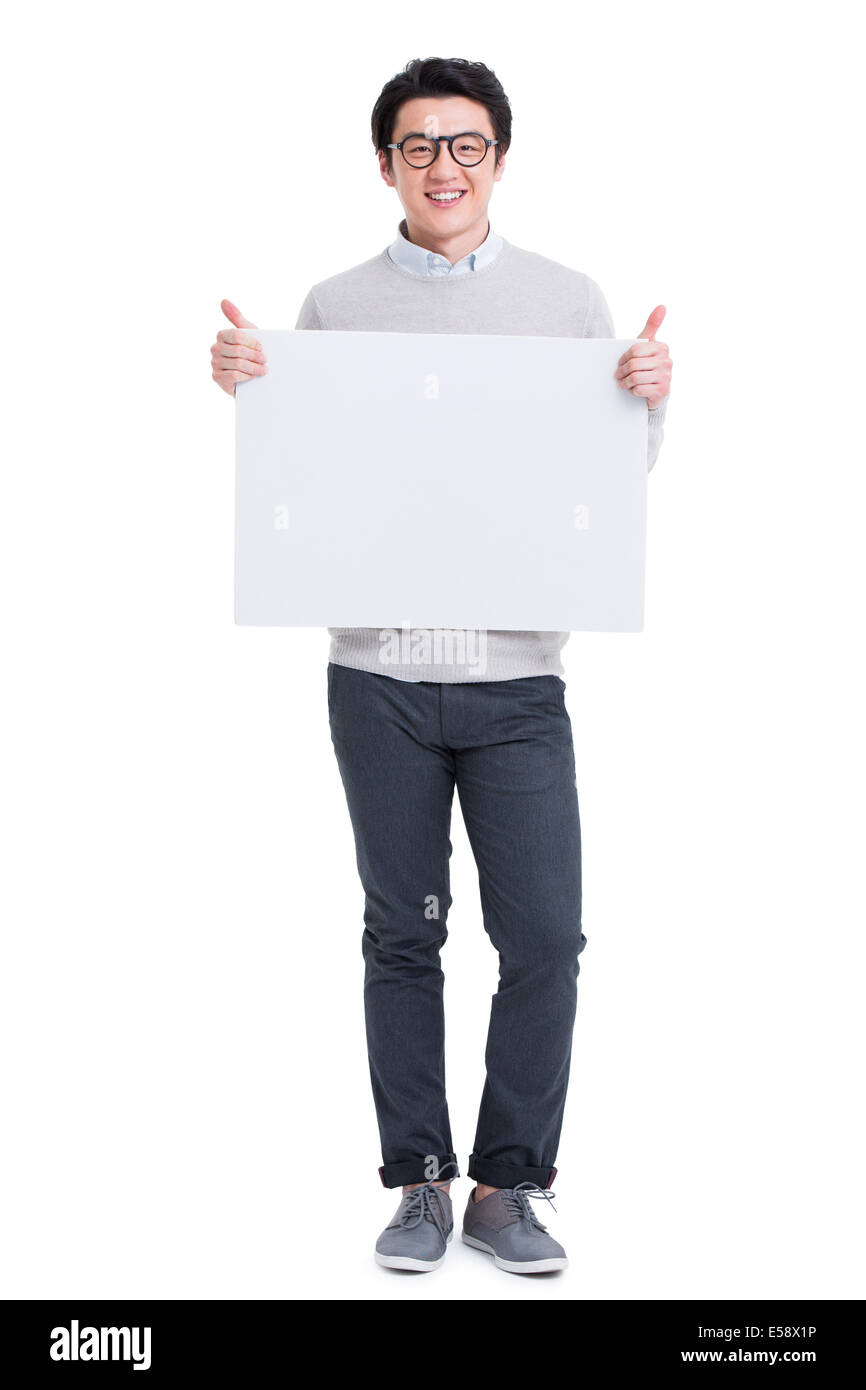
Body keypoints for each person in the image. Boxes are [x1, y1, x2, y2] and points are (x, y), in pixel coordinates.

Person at [210, 56, 672, 1276]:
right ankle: (416, 1178)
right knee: (402, 935)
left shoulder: (567, 299)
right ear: (385, 165)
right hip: (380, 679)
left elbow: (603, 487)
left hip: (518, 681)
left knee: (545, 940)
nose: (443, 167)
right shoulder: (335, 302)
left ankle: (507, 1183)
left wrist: (643, 400)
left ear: (498, 160)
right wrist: (252, 393)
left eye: (465, 145)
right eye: (417, 146)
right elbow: (303, 480)